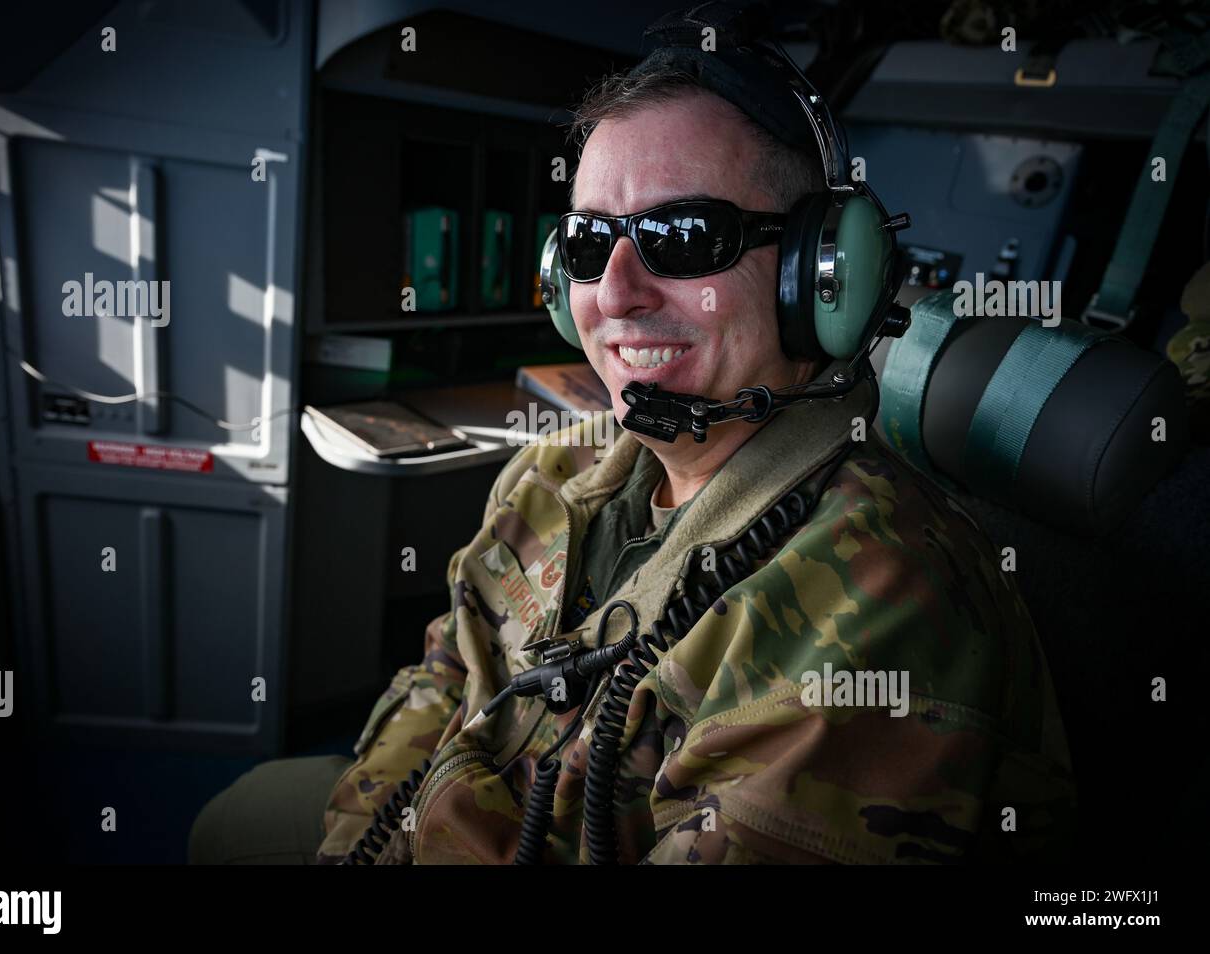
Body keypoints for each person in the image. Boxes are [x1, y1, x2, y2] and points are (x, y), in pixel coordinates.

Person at [191, 2, 1075, 866]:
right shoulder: (559, 464)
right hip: (452, 814)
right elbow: (446, 671)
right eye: (587, 241)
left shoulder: (880, 600)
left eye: (682, 235)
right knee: (231, 816)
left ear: (818, 278)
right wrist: (363, 836)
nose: (614, 293)